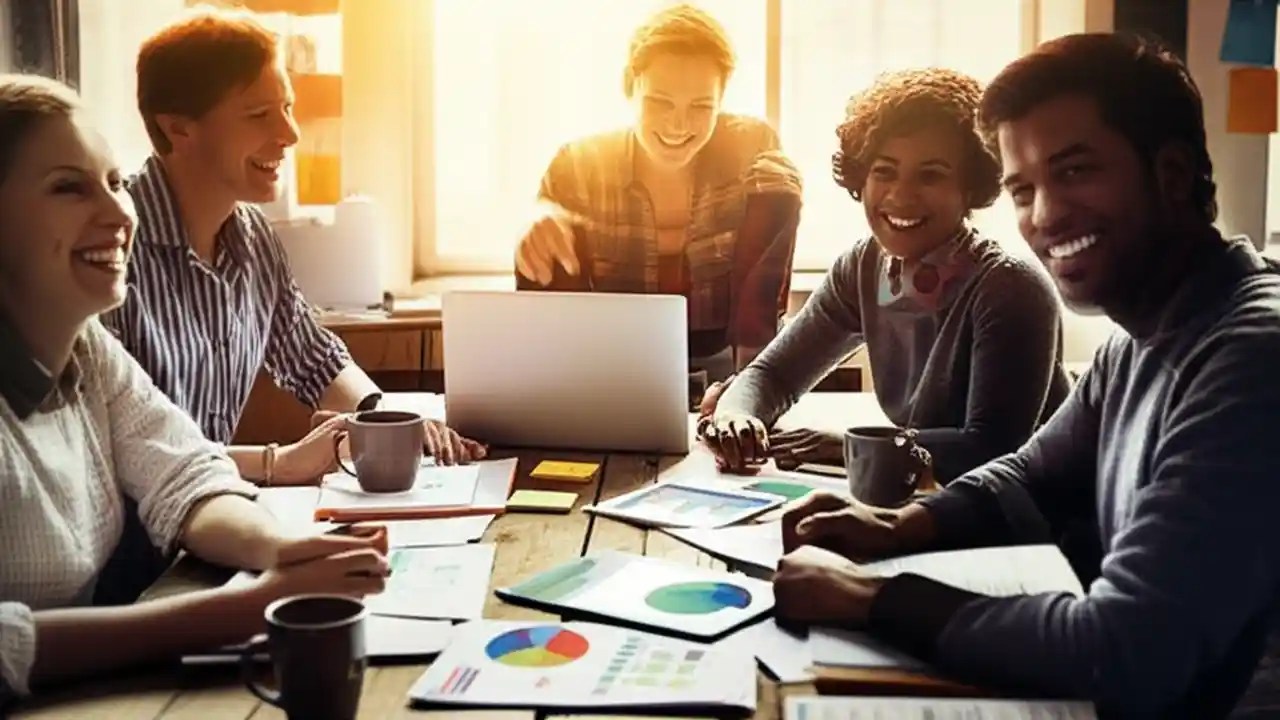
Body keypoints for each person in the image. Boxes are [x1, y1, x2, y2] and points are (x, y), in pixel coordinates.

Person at [772, 33, 1280, 719]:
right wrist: (899, 527)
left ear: (1172, 173)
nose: (1042, 217)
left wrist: (871, 598)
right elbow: (1030, 472)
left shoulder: (1251, 354)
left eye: (1074, 173)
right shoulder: (1145, 335)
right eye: (1023, 189)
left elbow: (1125, 649)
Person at [0, 73, 389, 709]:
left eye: (114, 183)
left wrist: (281, 548)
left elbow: (187, 473)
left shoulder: (89, 348)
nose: (116, 214)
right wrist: (235, 610)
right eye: (68, 188)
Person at [102, 8, 485, 483]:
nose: (290, 134)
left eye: (286, 107)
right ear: (179, 129)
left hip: (211, 516)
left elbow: (312, 357)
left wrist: (388, 419)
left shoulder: (254, 238)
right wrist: (277, 463)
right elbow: (121, 450)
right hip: (143, 545)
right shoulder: (109, 248)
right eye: (260, 115)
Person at [701, 68, 1069, 485]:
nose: (901, 195)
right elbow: (773, 375)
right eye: (884, 171)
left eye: (930, 175)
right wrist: (736, 417)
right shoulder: (861, 269)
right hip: (940, 501)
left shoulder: (1011, 288)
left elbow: (989, 448)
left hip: (1038, 516)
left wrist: (848, 447)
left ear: (970, 187)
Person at [513, 3, 803, 383]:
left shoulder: (752, 146)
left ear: (721, 100)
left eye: (701, 106)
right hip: (609, 372)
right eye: (659, 102)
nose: (678, 124)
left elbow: (768, 271)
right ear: (629, 87)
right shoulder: (579, 164)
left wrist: (751, 387)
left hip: (727, 366)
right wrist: (537, 220)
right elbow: (548, 293)